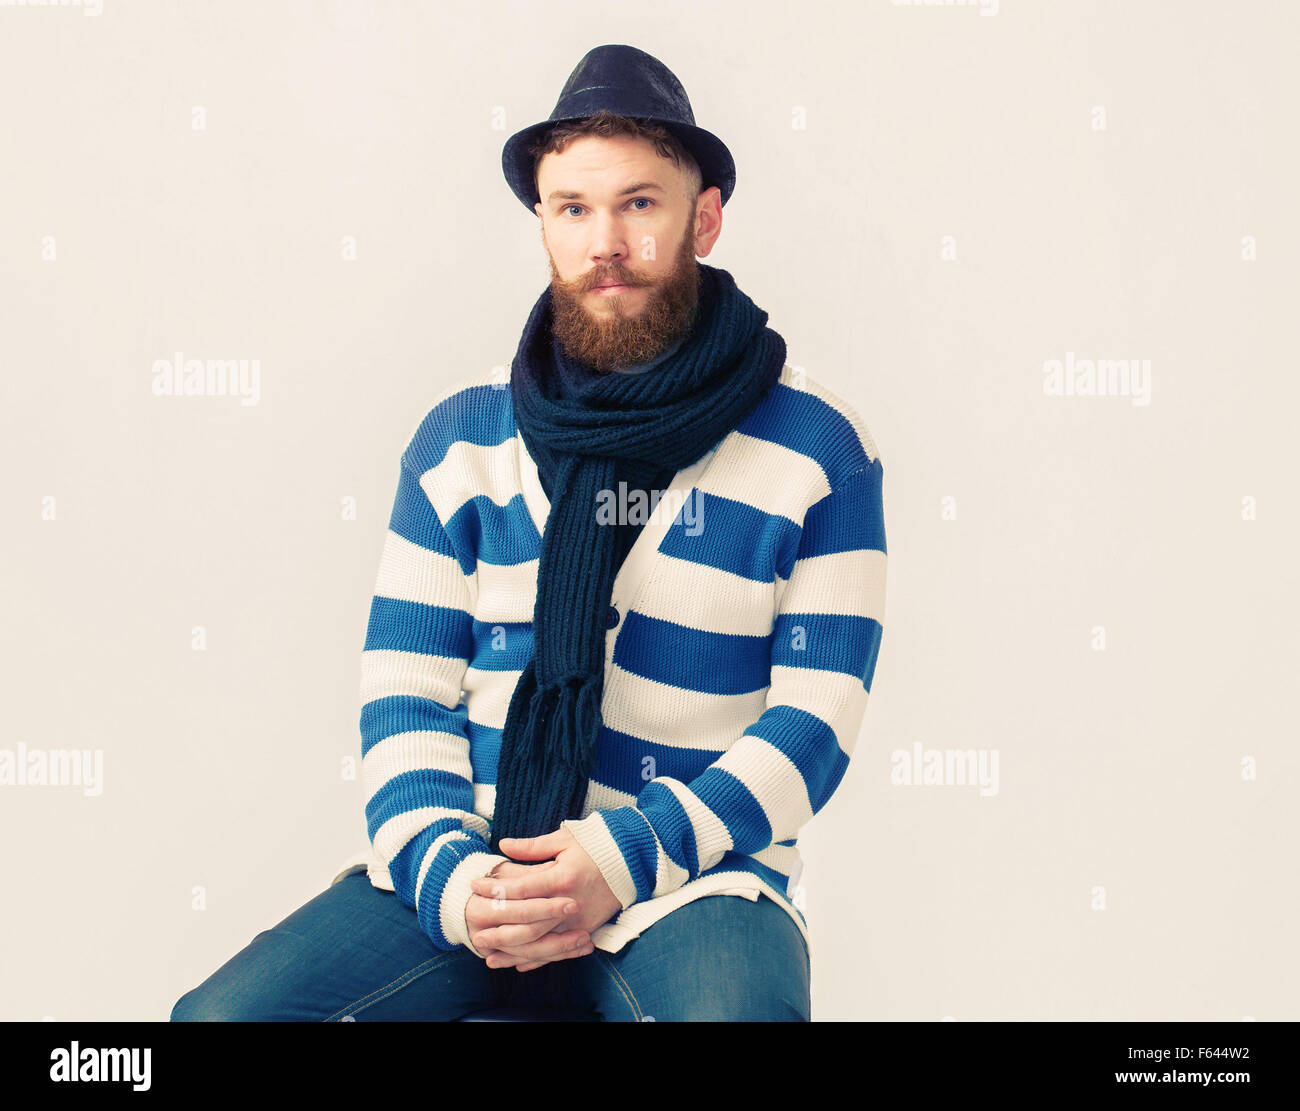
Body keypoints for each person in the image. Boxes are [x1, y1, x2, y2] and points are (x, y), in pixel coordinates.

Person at [170, 43, 886, 1023]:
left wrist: (616, 855)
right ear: (543, 223)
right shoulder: (460, 439)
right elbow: (402, 702)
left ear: (704, 218)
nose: (606, 242)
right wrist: (458, 884)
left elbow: (813, 729)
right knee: (218, 1023)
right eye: (573, 208)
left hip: (696, 876)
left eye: (641, 203)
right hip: (479, 863)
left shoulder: (816, 447)